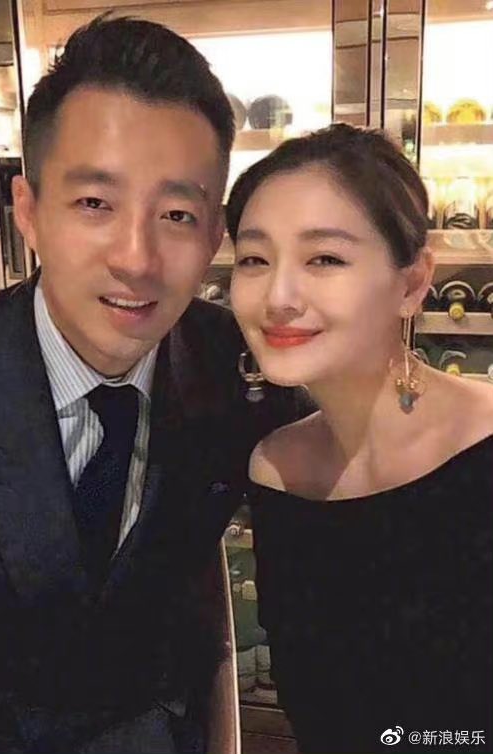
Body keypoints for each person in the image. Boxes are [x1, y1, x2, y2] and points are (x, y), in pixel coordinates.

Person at [0, 16, 304, 754]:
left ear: (214, 236)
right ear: (28, 211)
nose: (136, 259)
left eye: (176, 215)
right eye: (95, 204)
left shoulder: (237, 367)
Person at [227, 123, 493, 754]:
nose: (278, 297)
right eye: (254, 259)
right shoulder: (277, 468)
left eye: (325, 259)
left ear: (412, 283)